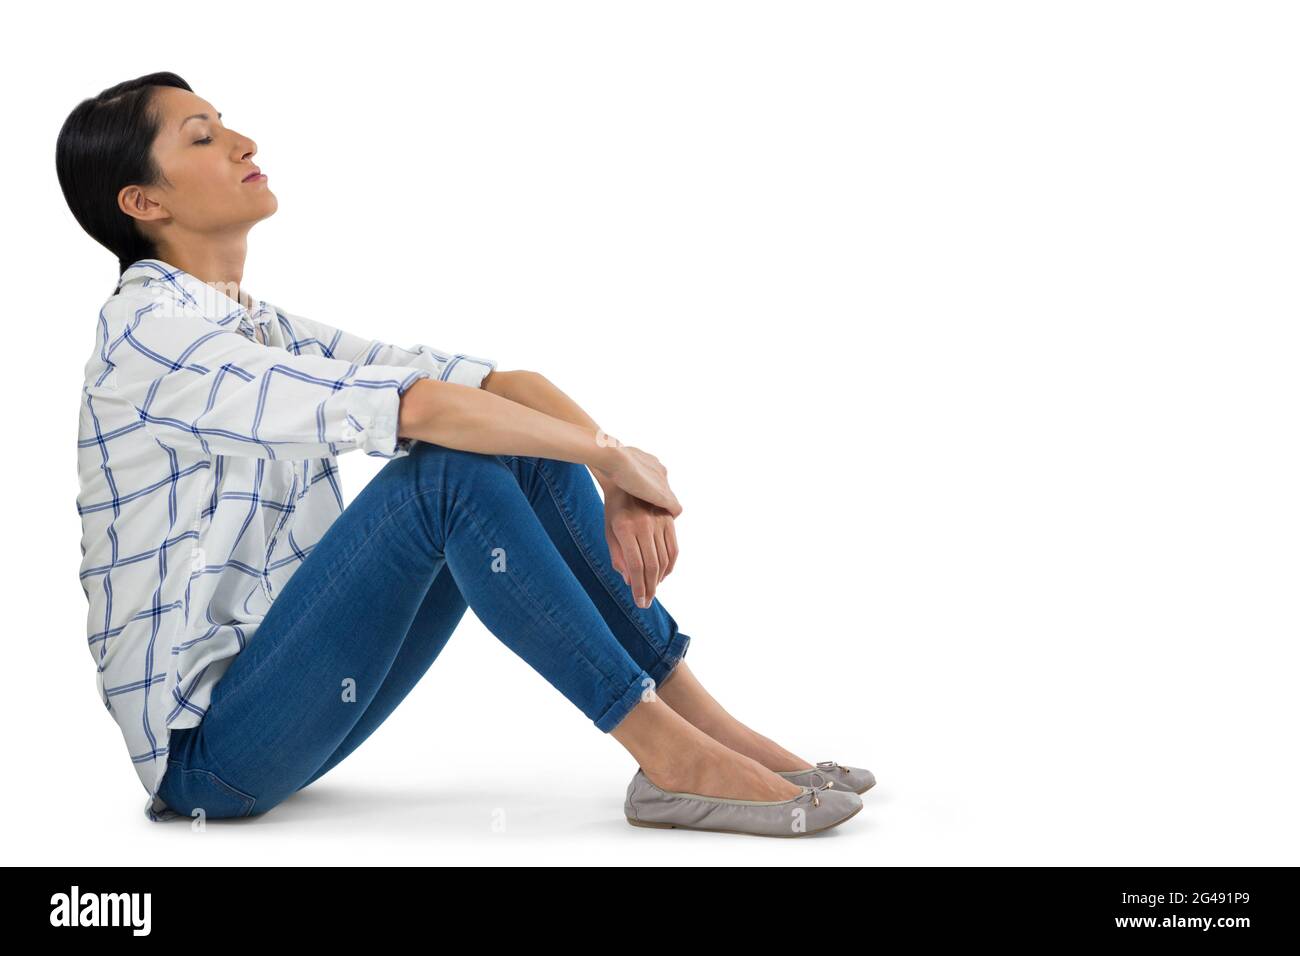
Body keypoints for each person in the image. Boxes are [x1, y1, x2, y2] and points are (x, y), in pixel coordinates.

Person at [58, 72, 873, 836]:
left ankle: (707, 727)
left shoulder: (254, 325)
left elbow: (500, 385)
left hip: (295, 702)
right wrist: (611, 459)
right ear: (143, 202)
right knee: (448, 474)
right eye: (202, 138)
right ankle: (671, 760)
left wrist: (606, 462)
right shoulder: (152, 337)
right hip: (209, 759)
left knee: (508, 442)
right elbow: (423, 409)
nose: (242, 142)